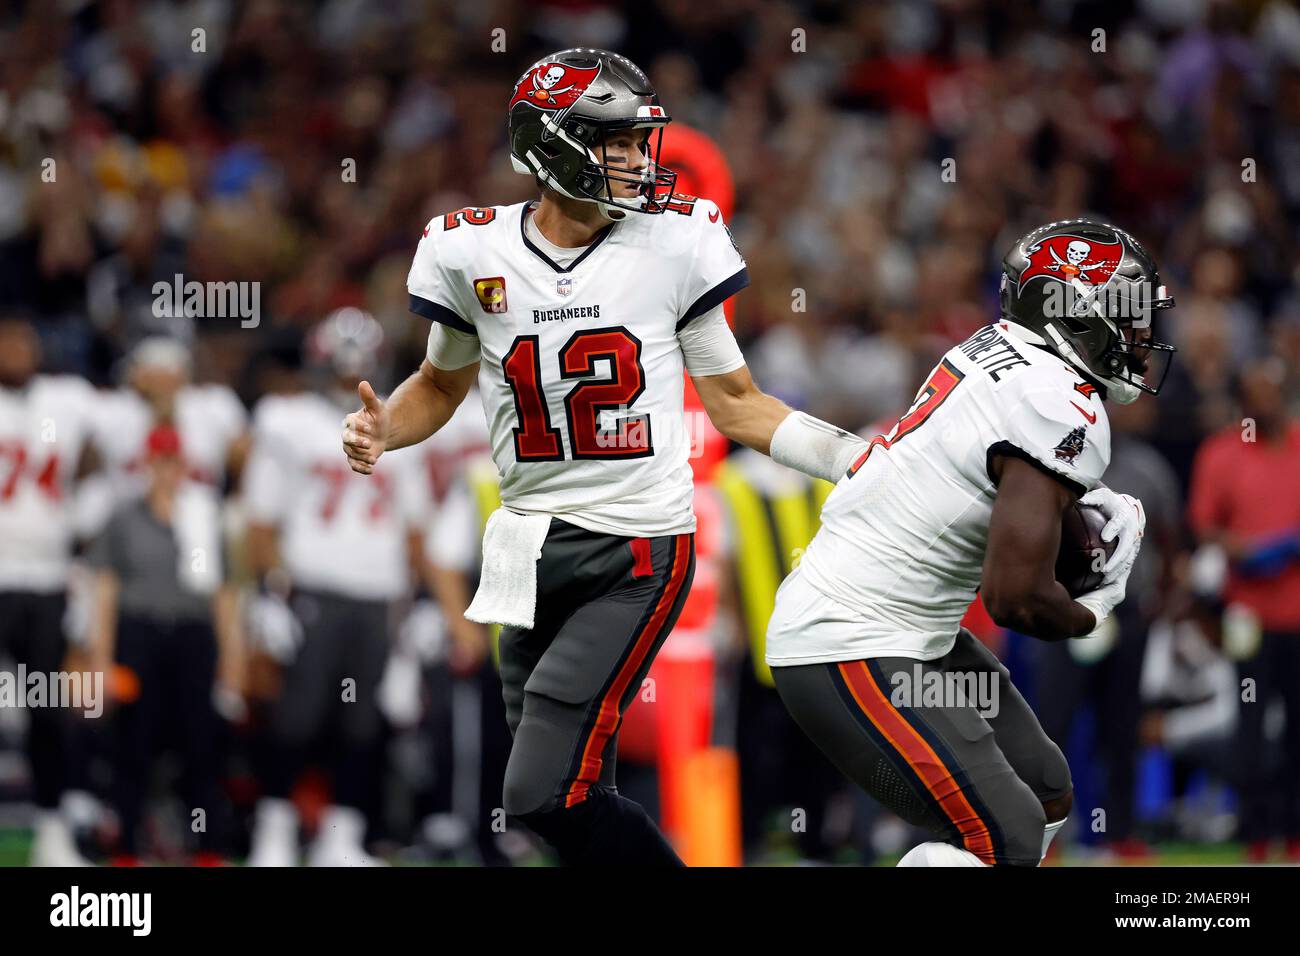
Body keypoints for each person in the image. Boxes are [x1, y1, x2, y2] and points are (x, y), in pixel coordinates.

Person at [341, 48, 866, 866]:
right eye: (613, 141)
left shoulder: (674, 243)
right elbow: (439, 387)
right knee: (574, 798)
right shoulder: (467, 251)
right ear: (550, 145)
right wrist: (384, 430)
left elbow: (737, 403)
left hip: (635, 544)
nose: (636, 159)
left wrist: (855, 459)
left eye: (634, 141)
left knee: (535, 792)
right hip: (525, 547)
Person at [765, 220, 1174, 866]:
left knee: (1043, 791)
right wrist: (1097, 604)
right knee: (1001, 832)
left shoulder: (1002, 349)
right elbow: (1013, 598)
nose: (1143, 334)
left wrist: (1081, 523)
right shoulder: (1059, 401)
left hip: (917, 638)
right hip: (851, 640)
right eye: (1128, 312)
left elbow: (1003, 487)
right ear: (1073, 314)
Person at [244, 309, 427, 867]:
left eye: (360, 370)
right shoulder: (286, 420)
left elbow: (413, 529)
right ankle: (273, 832)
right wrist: (271, 592)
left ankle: (342, 837)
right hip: (313, 591)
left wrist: (412, 608)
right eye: (342, 369)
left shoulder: (400, 423)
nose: (352, 381)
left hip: (375, 597)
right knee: (297, 717)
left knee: (362, 722)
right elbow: (259, 521)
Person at [85, 423, 234, 864]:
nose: (167, 470)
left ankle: (206, 845)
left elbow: (223, 595)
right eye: (160, 461)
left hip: (192, 637)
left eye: (174, 462)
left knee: (200, 744)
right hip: (139, 633)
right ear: (148, 464)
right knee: (133, 742)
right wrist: (100, 657)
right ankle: (127, 846)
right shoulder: (125, 516)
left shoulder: (202, 518)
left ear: (183, 466)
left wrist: (231, 656)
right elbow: (106, 588)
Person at [1187, 355, 1300, 862]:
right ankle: (1255, 834)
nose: (1267, 402)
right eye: (1258, 393)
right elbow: (1203, 527)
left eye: (1274, 392)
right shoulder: (1223, 452)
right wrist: (1242, 551)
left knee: (1298, 726)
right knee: (1250, 720)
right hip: (1247, 615)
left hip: (1297, 612)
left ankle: (1293, 831)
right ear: (1245, 400)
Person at [0, 316, 98, 866]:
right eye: (7, 339)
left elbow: (99, 458)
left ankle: (52, 830)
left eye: (24, 339)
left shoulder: (66, 400)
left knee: (47, 708)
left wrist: (83, 520)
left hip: (43, 580)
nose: (16, 348)